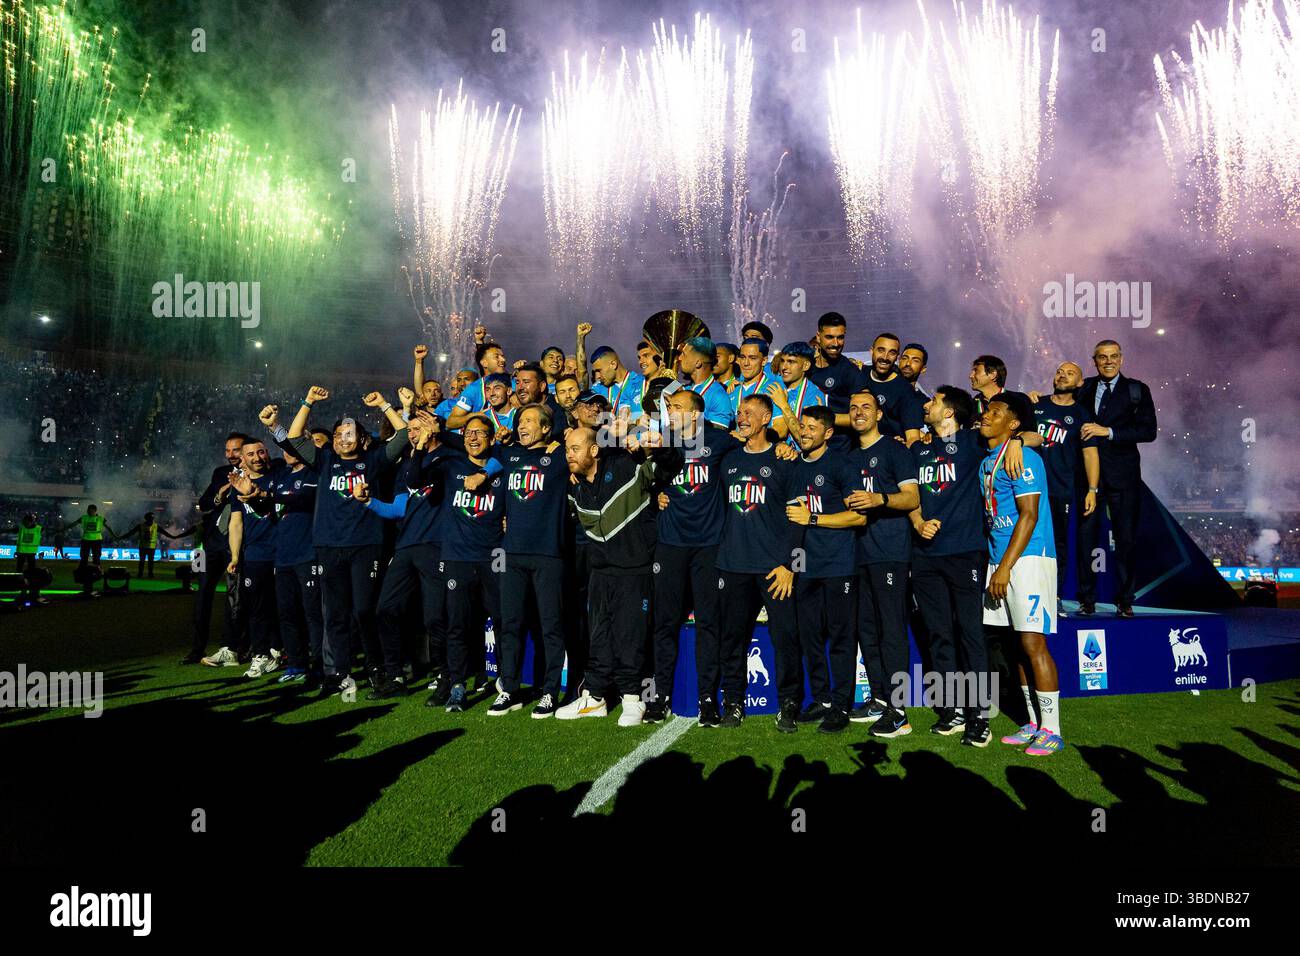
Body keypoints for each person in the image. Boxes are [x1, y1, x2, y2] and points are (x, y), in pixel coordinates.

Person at [285, 386, 409, 697]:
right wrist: (308, 401)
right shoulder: (324, 460)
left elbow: (404, 435)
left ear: (361, 439)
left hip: (367, 545)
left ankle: (376, 668)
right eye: (339, 434)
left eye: (350, 433)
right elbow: (294, 435)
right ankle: (338, 672)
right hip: (328, 546)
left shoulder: (374, 461)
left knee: (364, 610)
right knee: (336, 613)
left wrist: (384, 404)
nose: (343, 438)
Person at [559, 425, 682, 725]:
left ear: (594, 450)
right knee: (598, 636)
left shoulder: (629, 466)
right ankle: (595, 696)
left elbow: (671, 464)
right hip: (600, 573)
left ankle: (632, 698)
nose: (569, 455)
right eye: (567, 450)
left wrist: (659, 446)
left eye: (575, 449)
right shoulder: (573, 486)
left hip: (635, 570)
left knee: (631, 635)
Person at [909, 387, 1009, 745]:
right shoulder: (918, 449)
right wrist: (919, 521)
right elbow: (910, 496)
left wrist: (1014, 445)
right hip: (924, 556)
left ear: (949, 413)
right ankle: (951, 710)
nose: (927, 405)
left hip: (965, 552)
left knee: (970, 633)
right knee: (938, 634)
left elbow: (1024, 433)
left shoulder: (971, 443)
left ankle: (980, 716)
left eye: (933, 401)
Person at [467, 404, 570, 717]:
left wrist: (559, 443)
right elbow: (492, 454)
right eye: (520, 421)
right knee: (510, 623)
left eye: (529, 421)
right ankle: (509, 688)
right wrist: (485, 471)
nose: (522, 425)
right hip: (511, 554)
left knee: (550, 625)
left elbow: (584, 449)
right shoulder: (508, 456)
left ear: (545, 427)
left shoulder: (559, 458)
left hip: (548, 554)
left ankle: (550, 691)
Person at [647, 390, 742, 725]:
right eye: (669, 407)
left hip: (708, 545)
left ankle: (707, 698)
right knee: (665, 623)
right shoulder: (660, 441)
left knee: (708, 624)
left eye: (678, 408)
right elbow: (640, 477)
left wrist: (782, 445)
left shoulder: (720, 440)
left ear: (697, 414)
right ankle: (660, 696)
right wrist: (655, 493)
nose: (670, 412)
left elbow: (756, 452)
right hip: (670, 543)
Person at [979, 392, 1064, 757]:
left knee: (1033, 643)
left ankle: (1053, 730)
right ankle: (1033, 722)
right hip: (1002, 559)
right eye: (987, 409)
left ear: (1013, 424)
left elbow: (1028, 516)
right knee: (1017, 643)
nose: (986, 415)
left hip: (1028, 559)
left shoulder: (1025, 457)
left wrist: (1005, 567)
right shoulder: (988, 461)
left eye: (995, 412)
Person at [352, 412, 455, 699]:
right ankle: (395, 675)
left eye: (418, 428)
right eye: (410, 429)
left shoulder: (448, 457)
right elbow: (398, 509)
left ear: (433, 428)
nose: (413, 433)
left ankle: (445, 676)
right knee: (385, 609)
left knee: (435, 615)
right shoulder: (408, 465)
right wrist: (368, 501)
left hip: (436, 545)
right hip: (405, 546)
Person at [715, 394, 803, 731]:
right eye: (739, 412)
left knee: (785, 639)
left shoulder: (785, 462)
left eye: (750, 413)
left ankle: (788, 705)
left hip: (774, 568)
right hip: (733, 564)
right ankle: (733, 703)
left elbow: (799, 518)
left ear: (767, 418)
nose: (742, 417)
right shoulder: (729, 461)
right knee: (732, 639)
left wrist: (790, 566)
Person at [845, 390, 922, 737]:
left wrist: (878, 499)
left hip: (889, 551)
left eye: (866, 408)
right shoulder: (848, 456)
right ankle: (878, 697)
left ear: (878, 414)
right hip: (856, 553)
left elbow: (911, 498)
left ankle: (899, 710)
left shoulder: (895, 450)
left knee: (891, 630)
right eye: (853, 408)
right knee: (866, 629)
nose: (859, 413)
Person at [784, 405, 861, 734]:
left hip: (839, 563)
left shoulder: (841, 464)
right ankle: (822, 698)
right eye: (802, 426)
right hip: (805, 565)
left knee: (841, 637)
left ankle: (841, 704)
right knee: (810, 637)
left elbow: (859, 516)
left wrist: (813, 519)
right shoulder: (793, 465)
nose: (805, 432)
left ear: (828, 433)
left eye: (813, 427)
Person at [1074, 340, 1158, 617]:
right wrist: (1036, 397)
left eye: (1113, 356)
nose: (1108, 361)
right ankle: (1086, 599)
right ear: (1094, 360)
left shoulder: (1137, 390)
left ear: (1121, 359)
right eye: (1102, 357)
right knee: (1086, 540)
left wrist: (1107, 432)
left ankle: (1124, 600)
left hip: (1124, 477)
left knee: (1125, 540)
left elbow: (1148, 432)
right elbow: (1060, 406)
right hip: (1087, 478)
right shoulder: (1083, 388)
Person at [433, 413, 506, 712]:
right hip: (458, 557)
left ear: (491, 438)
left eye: (480, 433)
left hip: (494, 557)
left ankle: (505, 680)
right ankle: (458, 685)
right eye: (468, 433)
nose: (473, 438)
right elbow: (412, 479)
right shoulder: (451, 465)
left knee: (504, 620)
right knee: (459, 624)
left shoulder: (503, 465)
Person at [255, 407, 324, 687]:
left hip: (308, 555)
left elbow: (301, 499)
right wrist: (251, 496)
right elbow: (266, 504)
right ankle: (295, 664)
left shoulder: (314, 473)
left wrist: (267, 495)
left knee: (312, 614)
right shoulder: (280, 476)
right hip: (282, 557)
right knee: (287, 613)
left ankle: (319, 667)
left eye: (297, 445)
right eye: (286, 448)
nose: (289, 451)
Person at [1023, 361, 1101, 609]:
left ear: (1080, 383)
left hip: (1060, 490)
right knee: (1024, 541)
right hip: (1027, 487)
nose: (1062, 376)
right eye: (1059, 371)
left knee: (1057, 545)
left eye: (1070, 374)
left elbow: (1090, 454)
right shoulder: (1035, 405)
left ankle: (1053, 596)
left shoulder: (1082, 415)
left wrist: (1091, 489)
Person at [192, 433, 252, 666]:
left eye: (235, 450)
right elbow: (204, 503)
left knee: (235, 598)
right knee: (202, 595)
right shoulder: (220, 473)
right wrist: (219, 496)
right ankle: (197, 648)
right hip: (211, 543)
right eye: (227, 450)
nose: (230, 455)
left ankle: (233, 646)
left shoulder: (257, 472)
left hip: (236, 542)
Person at [226, 438, 281, 678]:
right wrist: (235, 555)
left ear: (267, 453)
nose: (257, 457)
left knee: (285, 606)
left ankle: (282, 650)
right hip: (256, 555)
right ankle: (261, 654)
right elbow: (236, 523)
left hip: (283, 553)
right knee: (257, 608)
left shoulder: (279, 478)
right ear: (243, 459)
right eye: (251, 454)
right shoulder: (236, 486)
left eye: (261, 452)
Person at [805, 311, 865, 449]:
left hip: (839, 450)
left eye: (840, 338)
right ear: (818, 337)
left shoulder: (849, 371)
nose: (836, 343)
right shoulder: (806, 366)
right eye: (830, 337)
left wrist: (826, 417)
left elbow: (862, 418)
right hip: (805, 448)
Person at [861, 332, 924, 444]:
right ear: (872, 351)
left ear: (897, 357)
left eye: (892, 353)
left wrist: (900, 450)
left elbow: (912, 438)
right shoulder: (858, 375)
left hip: (888, 453)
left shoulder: (906, 391)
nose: (885, 357)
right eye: (881, 350)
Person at [766, 341, 826, 445]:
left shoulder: (814, 396)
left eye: (791, 362)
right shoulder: (774, 386)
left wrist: (783, 404)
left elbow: (805, 441)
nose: (784, 367)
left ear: (806, 366)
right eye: (782, 361)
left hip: (800, 456)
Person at [445, 339, 508, 431]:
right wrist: (475, 416)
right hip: (486, 441)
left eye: (503, 356)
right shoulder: (474, 389)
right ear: (484, 363)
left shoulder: (513, 382)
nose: (503, 360)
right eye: (497, 357)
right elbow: (451, 422)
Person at [680, 337, 734, 429]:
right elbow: (658, 402)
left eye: (684, 355)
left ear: (698, 363)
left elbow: (718, 435)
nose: (679, 358)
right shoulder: (682, 387)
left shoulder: (719, 395)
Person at [589, 344, 646, 422]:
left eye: (599, 370)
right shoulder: (598, 388)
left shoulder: (641, 382)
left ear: (613, 364)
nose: (598, 376)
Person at [730, 337, 782, 423]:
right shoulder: (733, 389)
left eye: (752, 358)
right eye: (742, 357)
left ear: (764, 361)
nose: (746, 363)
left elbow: (780, 431)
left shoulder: (773, 389)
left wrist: (742, 436)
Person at [969, 354, 1007, 422]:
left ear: (993, 375)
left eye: (976, 371)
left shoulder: (1018, 401)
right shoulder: (969, 406)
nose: (970, 376)